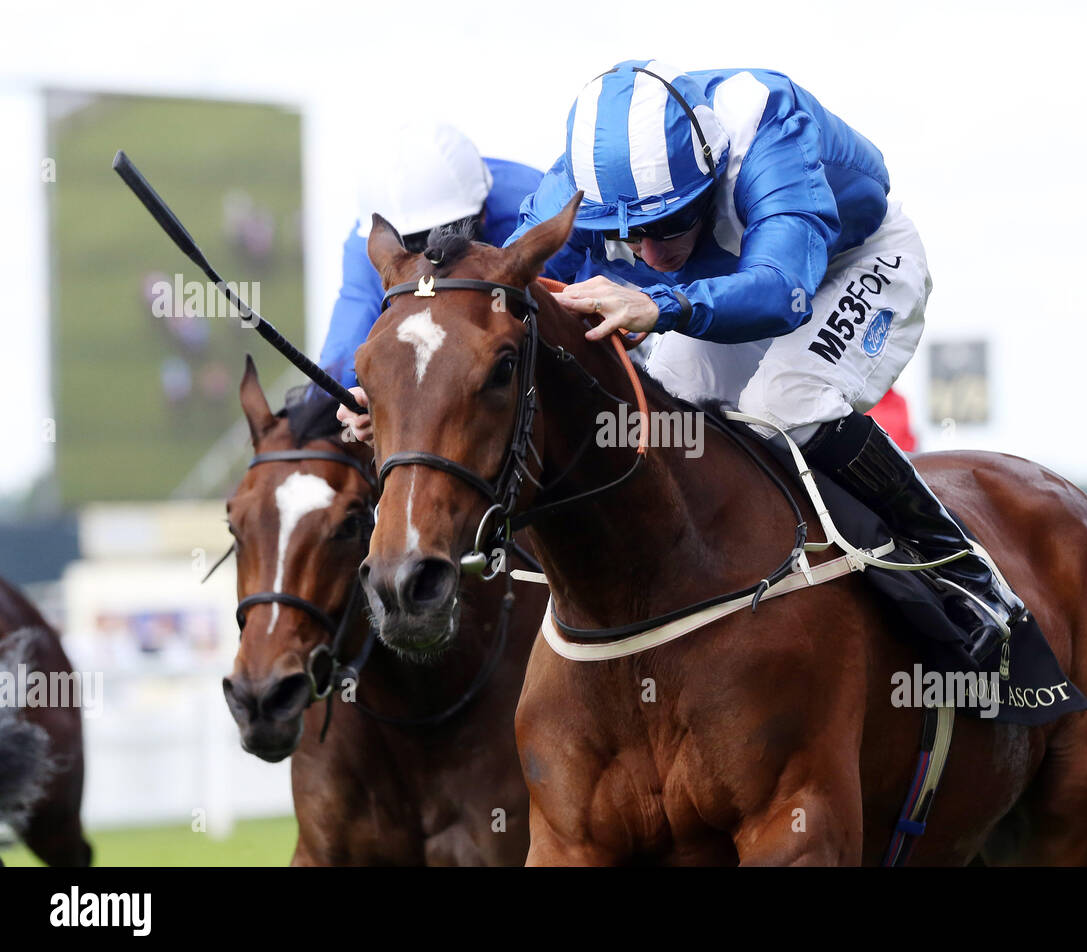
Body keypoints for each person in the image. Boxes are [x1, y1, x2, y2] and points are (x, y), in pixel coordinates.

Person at [506, 60, 1025, 650]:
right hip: (727, 287)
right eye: (629, 234)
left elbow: (784, 290)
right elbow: (492, 289)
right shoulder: (584, 176)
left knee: (785, 399)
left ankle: (958, 568)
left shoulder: (765, 124)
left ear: (707, 169)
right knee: (672, 411)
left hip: (845, 265)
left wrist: (663, 306)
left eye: (671, 222)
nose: (650, 253)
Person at [327, 123, 543, 437]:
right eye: (415, 248)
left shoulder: (530, 205)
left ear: (483, 215)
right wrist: (359, 397)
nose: (434, 261)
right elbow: (342, 355)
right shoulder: (368, 247)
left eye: (449, 237)